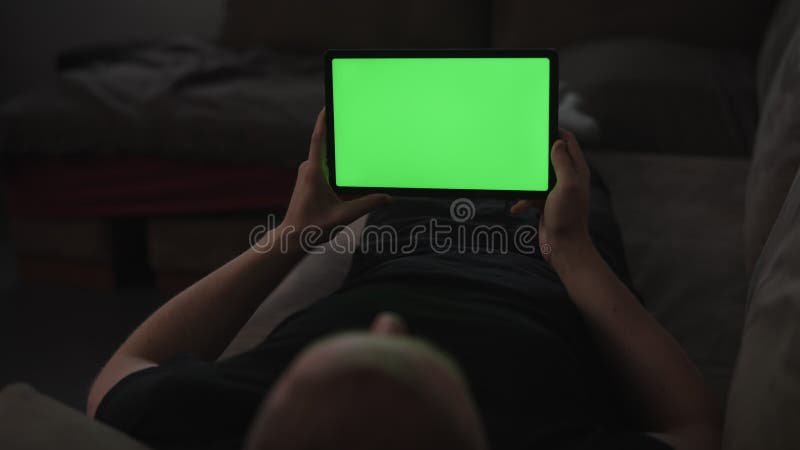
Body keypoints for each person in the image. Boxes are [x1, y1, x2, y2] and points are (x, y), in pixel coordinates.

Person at [87, 109, 721, 450]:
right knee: (565, 165)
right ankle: (567, 122)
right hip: (543, 263)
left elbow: (128, 363)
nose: (391, 329)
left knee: (424, 178)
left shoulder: (206, 419)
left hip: (400, 247)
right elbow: (694, 425)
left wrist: (297, 234)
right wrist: (573, 249)